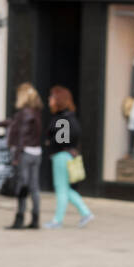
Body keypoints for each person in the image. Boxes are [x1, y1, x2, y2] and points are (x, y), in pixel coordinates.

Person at [0, 83, 44, 229]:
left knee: (21, 187)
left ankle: (19, 219)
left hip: (24, 154)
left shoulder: (24, 113)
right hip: (36, 153)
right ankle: (35, 219)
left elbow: (21, 137)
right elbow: (12, 122)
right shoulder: (35, 112)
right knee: (34, 188)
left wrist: (16, 157)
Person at [43, 86, 94, 228]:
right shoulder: (69, 116)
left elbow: (61, 140)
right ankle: (85, 212)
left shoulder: (63, 118)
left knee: (61, 188)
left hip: (61, 157)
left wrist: (49, 142)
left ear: (58, 100)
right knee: (65, 188)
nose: (49, 99)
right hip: (67, 156)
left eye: (52, 97)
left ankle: (57, 220)